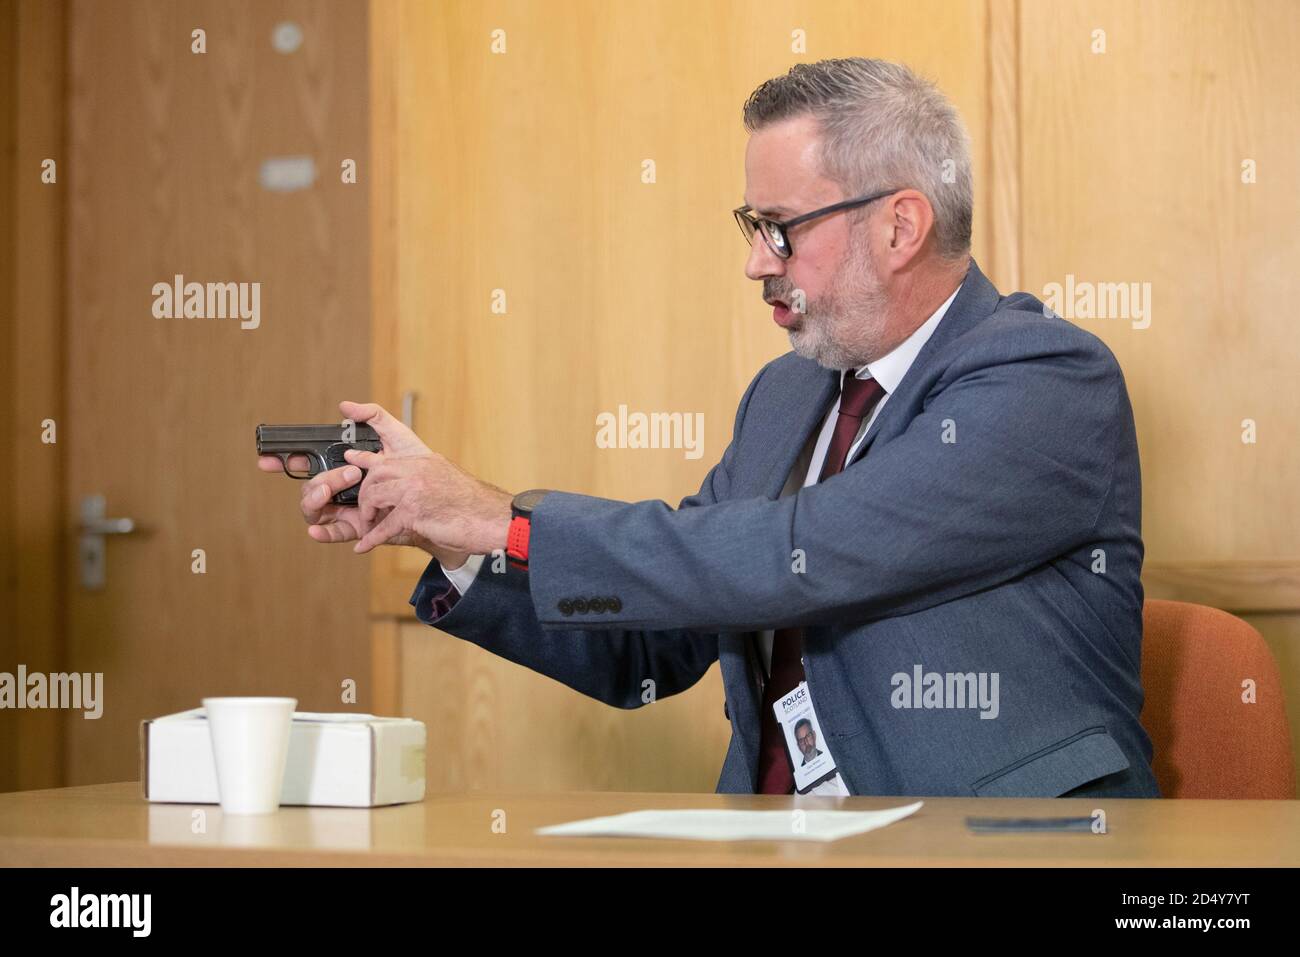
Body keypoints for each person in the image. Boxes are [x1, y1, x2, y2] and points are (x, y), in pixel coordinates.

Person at [259, 58, 1159, 798]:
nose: (753, 263)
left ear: (900, 226)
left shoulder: (1045, 378)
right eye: (750, 227)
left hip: (980, 852)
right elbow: (657, 637)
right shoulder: (785, 396)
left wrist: (501, 517)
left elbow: (803, 551)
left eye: (779, 229)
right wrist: (452, 539)